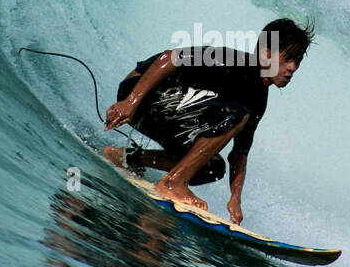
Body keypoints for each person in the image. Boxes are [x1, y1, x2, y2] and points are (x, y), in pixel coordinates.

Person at [102, 18, 313, 223]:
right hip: (140, 93)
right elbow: (169, 58)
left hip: (168, 110)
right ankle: (173, 183)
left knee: (212, 167)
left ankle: (125, 157)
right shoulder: (231, 60)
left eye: (298, 61)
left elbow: (239, 153)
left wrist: (235, 199)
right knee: (236, 114)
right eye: (288, 58)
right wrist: (131, 101)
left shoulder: (259, 99)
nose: (292, 67)